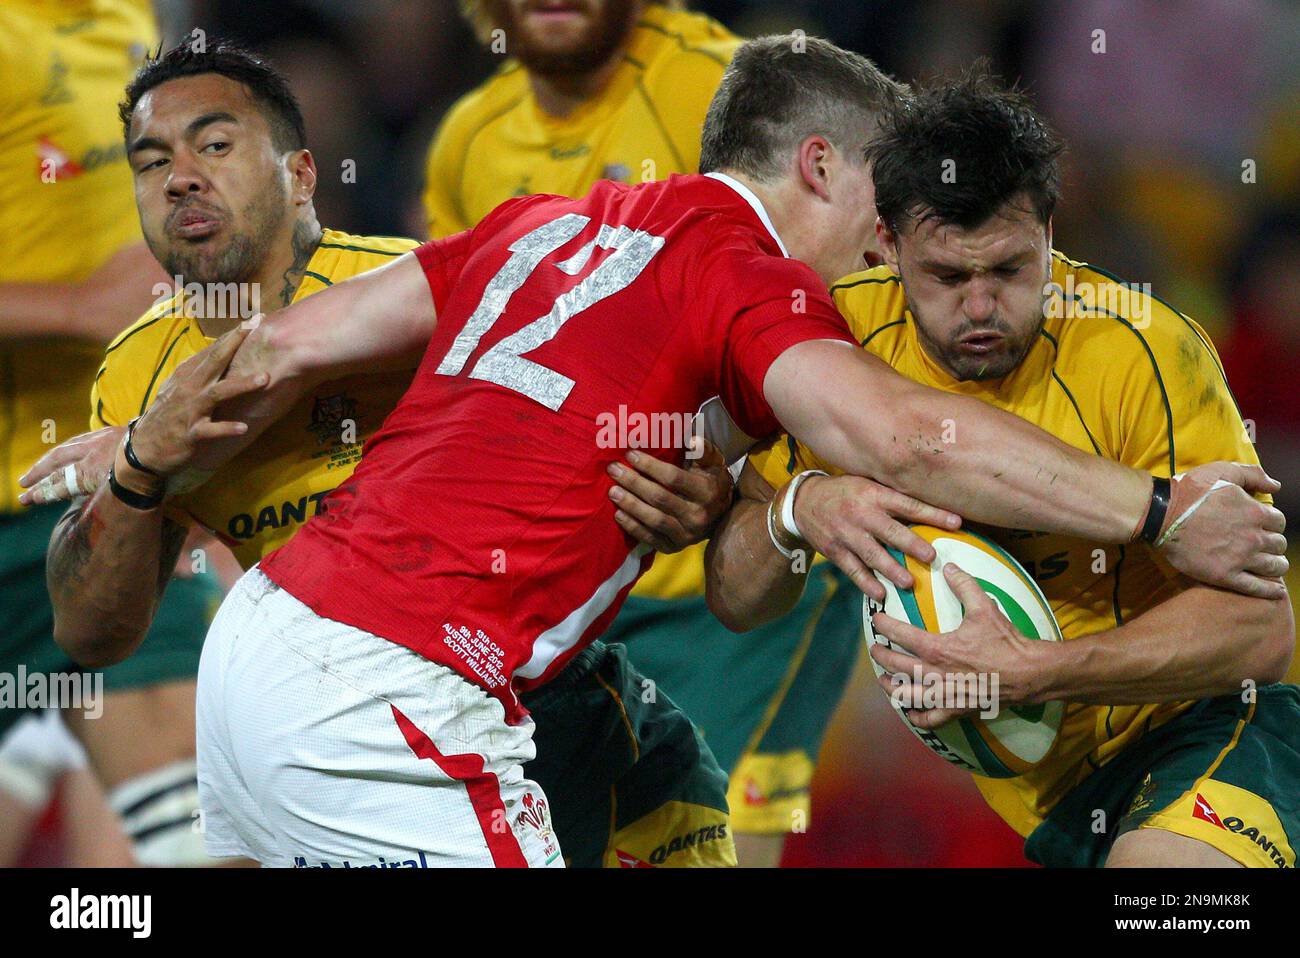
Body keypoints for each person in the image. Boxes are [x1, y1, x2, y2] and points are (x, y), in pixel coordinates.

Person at [42, 35, 1283, 867]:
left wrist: (140, 442)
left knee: (661, 769)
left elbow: (290, 342)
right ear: (817, 167)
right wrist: (1161, 508)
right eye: (882, 203)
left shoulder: (545, 227)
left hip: (261, 656)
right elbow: (907, 433)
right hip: (397, 695)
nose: (888, 246)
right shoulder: (749, 281)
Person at [25, 38, 734, 869]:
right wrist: (138, 469)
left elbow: (649, 400)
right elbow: (91, 633)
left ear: (300, 175)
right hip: (334, 736)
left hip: (549, 712)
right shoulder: (139, 375)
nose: (180, 175)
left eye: (214, 145)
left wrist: (703, 492)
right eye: (151, 162)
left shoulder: (426, 297)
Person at [714, 71, 1297, 867]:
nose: (982, 308)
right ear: (886, 245)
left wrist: (1035, 673)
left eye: (1012, 270)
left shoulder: (1143, 353)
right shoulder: (835, 350)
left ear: (1050, 232)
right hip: (1053, 799)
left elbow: (1263, 633)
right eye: (949, 277)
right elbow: (735, 594)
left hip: (1204, 735)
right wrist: (797, 510)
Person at [425, 0, 863, 866]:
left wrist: (730, 476)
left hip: (732, 600)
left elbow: (840, 309)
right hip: (563, 598)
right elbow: (465, 358)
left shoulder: (720, 85)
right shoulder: (467, 140)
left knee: (713, 851)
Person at [0, 0, 226, 865]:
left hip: (86, 486)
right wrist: (74, 308)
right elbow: (100, 292)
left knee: (193, 828)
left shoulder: (131, 16)